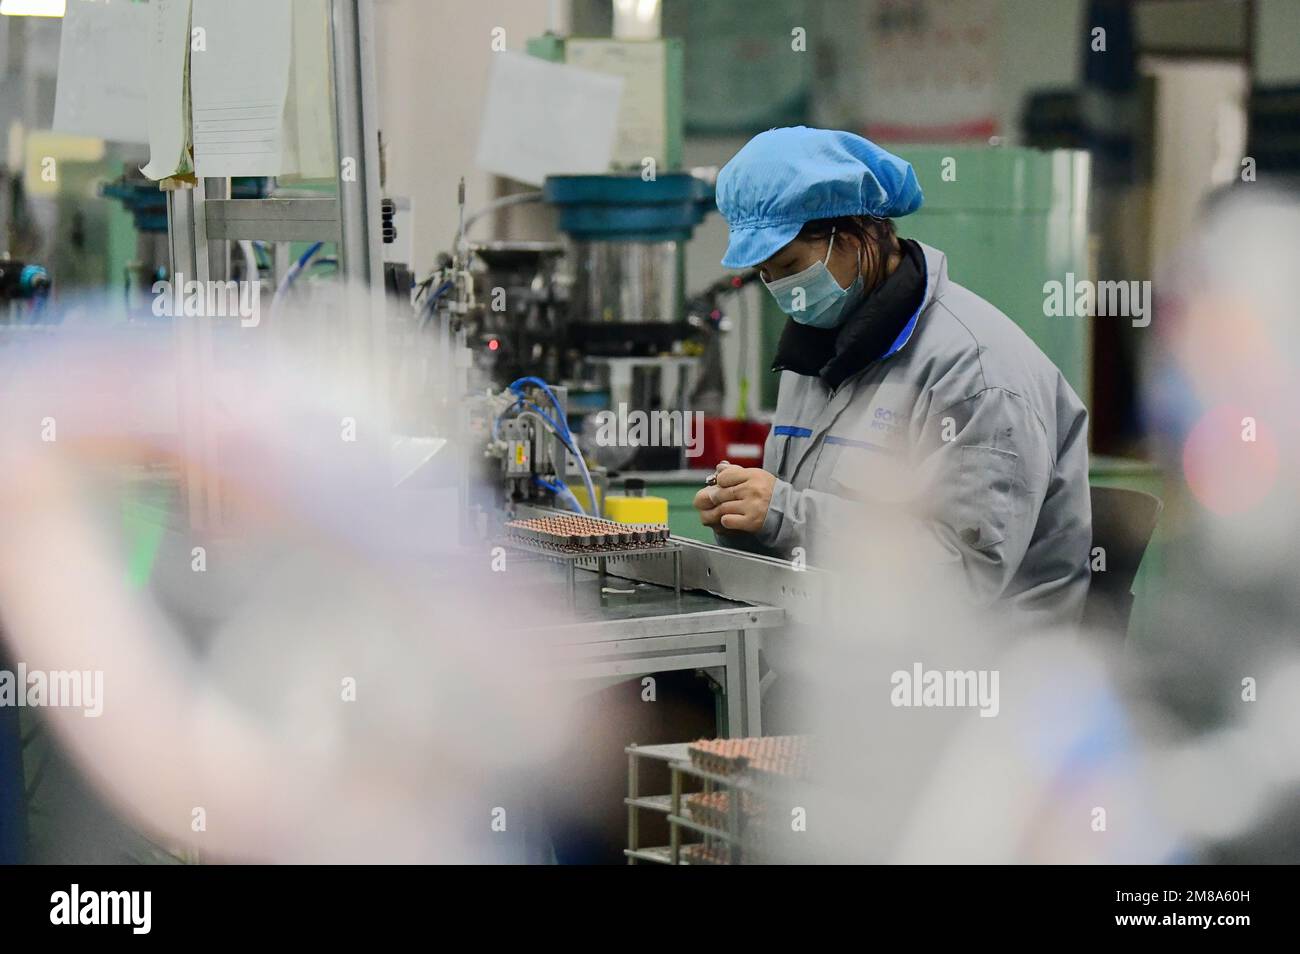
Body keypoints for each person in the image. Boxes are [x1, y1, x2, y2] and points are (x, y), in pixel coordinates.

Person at [695, 127, 1091, 627]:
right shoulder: (816, 354)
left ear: (859, 230)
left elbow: (963, 575)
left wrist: (786, 515)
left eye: (791, 266)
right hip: (848, 651)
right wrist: (743, 519)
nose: (784, 290)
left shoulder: (975, 373)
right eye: (767, 275)